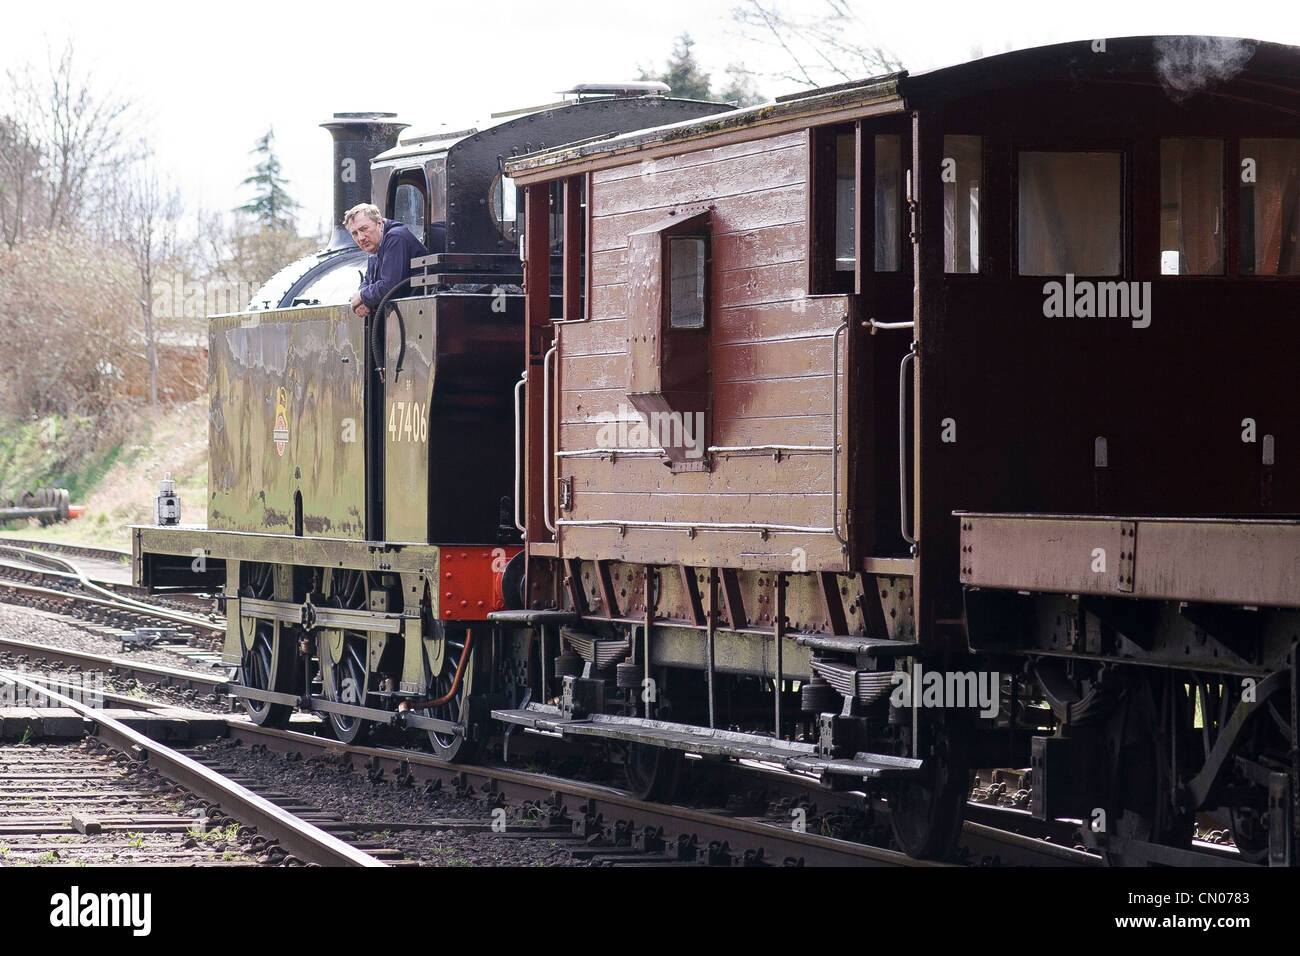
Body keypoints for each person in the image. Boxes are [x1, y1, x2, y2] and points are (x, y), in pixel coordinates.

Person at [344, 203, 428, 319]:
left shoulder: (396, 238)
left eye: (364, 229)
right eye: (355, 233)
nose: (361, 237)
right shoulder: (375, 249)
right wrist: (363, 301)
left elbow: (390, 286)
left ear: (379, 223)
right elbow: (368, 281)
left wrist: (362, 296)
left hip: (418, 315)